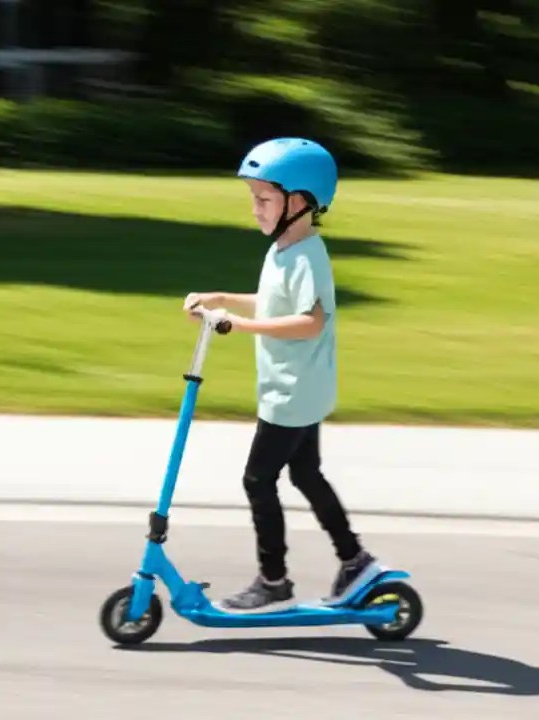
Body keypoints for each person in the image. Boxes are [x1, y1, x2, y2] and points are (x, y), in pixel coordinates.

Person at [183, 137, 382, 612]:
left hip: (292, 395)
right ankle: (355, 559)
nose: (254, 209)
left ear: (299, 202)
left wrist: (237, 325)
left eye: (263, 199)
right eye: (253, 198)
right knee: (307, 474)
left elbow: (311, 321)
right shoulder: (284, 250)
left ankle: (274, 580)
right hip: (296, 388)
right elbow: (277, 304)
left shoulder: (309, 254)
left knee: (258, 479)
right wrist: (225, 299)